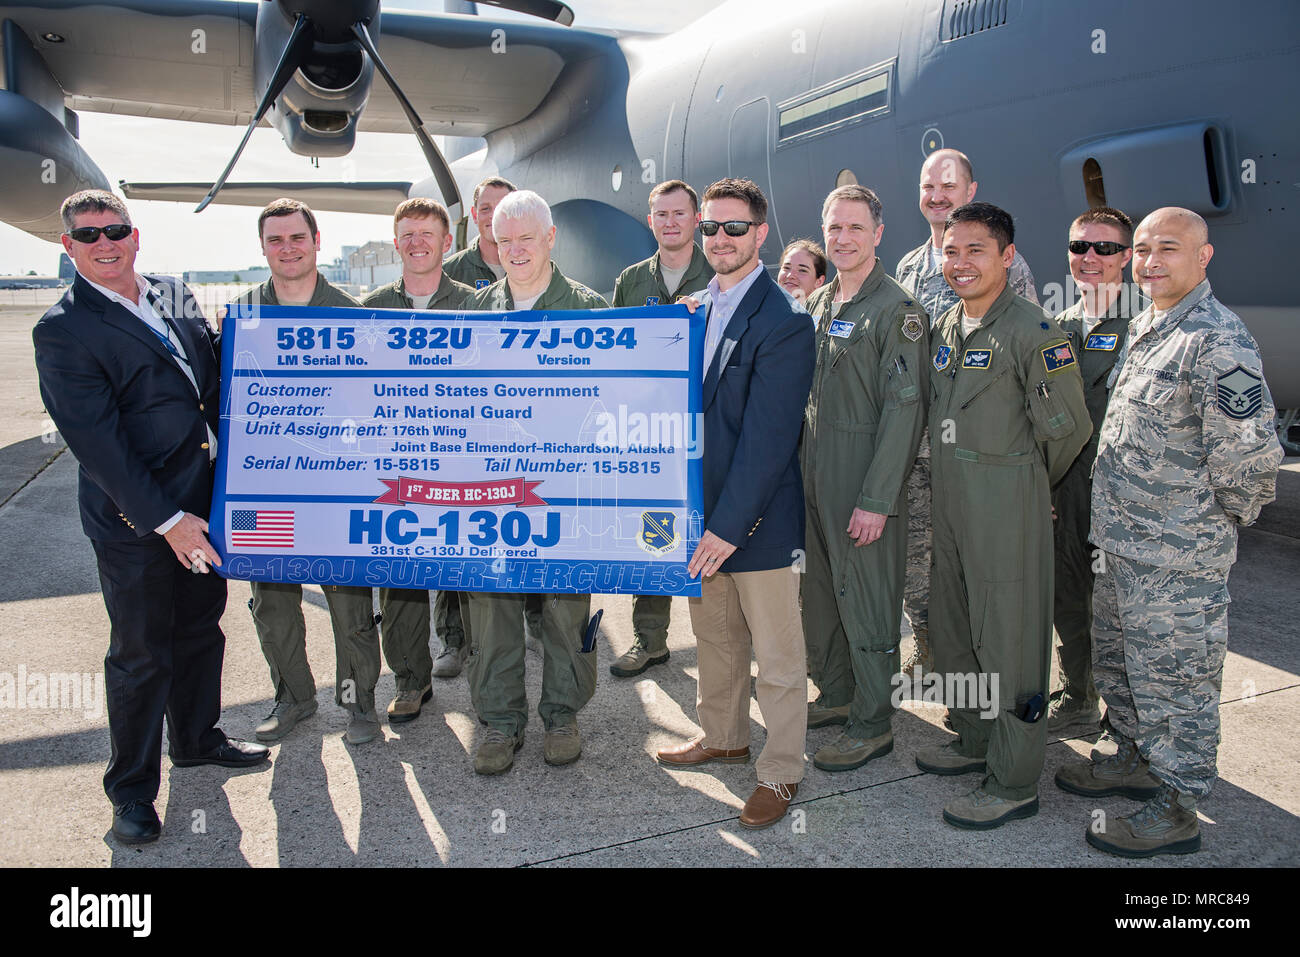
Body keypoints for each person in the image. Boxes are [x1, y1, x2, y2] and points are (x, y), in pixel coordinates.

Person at [33, 190, 268, 845]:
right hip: (137, 522)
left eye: (116, 230)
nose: (104, 243)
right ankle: (131, 792)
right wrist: (168, 520)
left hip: (203, 504)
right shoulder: (63, 329)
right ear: (68, 247)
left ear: (135, 235)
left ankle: (196, 737)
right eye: (89, 235)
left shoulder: (173, 292)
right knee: (140, 655)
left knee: (200, 630)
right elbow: (97, 442)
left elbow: (214, 374)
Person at [1059, 207, 1283, 858]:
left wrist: (1204, 529)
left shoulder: (1218, 338)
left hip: (1176, 559)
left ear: (1204, 257)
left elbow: (1250, 459)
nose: (1153, 260)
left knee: (1177, 682)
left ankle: (1178, 804)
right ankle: (1130, 754)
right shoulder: (1152, 324)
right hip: (1122, 546)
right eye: (1147, 249)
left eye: (1170, 249)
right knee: (1123, 667)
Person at [918, 202, 1091, 829]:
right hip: (954, 504)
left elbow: (1067, 431)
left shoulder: (1034, 333)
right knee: (958, 627)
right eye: (951, 250)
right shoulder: (947, 325)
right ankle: (974, 736)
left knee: (1012, 641)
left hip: (1007, 505)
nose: (960, 263)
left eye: (976, 251)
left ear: (1006, 256)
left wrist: (1021, 483)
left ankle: (1014, 779)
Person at [653, 178, 815, 830]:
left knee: (777, 659)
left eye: (735, 228)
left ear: (761, 233)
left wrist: (727, 526)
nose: (721, 239)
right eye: (711, 228)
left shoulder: (784, 321)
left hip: (757, 521)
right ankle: (722, 735)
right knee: (715, 640)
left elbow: (769, 440)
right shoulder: (697, 310)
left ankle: (780, 770)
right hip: (702, 515)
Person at [462, 189, 606, 774]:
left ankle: (563, 713)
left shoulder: (591, 310)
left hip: (567, 485)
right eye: (505, 240)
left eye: (527, 238)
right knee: (490, 606)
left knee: (564, 604)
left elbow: (614, 400)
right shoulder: (472, 317)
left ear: (550, 238)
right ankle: (498, 722)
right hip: (492, 488)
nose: (515, 250)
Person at [231, 199, 384, 746]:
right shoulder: (242, 315)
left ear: (316, 241)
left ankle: (359, 704)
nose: (288, 248)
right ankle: (293, 698)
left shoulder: (355, 314)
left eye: (297, 237)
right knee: (272, 605)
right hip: (267, 487)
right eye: (276, 240)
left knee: (349, 604)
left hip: (338, 486)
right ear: (264, 247)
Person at [894, 149, 1040, 676]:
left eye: (949, 186)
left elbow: (1019, 359)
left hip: (974, 447)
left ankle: (976, 666)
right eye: (928, 185)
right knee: (917, 561)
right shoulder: (910, 265)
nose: (937, 195)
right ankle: (932, 650)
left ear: (970, 191)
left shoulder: (1003, 262)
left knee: (972, 562)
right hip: (917, 445)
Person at [801, 186, 927, 770]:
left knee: (870, 601)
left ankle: (874, 721)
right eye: (834, 228)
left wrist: (877, 499)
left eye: (855, 228)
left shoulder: (896, 311)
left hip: (863, 481)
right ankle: (838, 693)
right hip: (816, 478)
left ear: (878, 234)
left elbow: (905, 412)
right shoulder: (822, 303)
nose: (843, 238)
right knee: (822, 594)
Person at [361, 198, 476, 719]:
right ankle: (410, 680)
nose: (416, 244)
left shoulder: (478, 305)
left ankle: (484, 682)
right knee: (400, 577)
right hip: (398, 469)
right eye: (406, 235)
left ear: (447, 242)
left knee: (475, 579)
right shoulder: (372, 309)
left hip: (466, 463)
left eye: (426, 234)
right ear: (396, 243)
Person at [608, 179, 712, 678]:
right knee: (653, 528)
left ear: (696, 219)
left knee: (713, 532)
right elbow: (614, 354)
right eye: (661, 214)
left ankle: (720, 643)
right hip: (649, 428)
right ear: (650, 221)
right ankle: (650, 640)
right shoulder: (630, 281)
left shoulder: (719, 272)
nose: (671, 222)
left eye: (680, 213)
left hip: (708, 426)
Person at [1046, 207, 1136, 733]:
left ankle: (1126, 720)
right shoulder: (1056, 327)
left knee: (1122, 611)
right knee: (1068, 597)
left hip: (1123, 493)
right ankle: (1079, 693)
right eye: (1081, 247)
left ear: (1126, 256)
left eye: (1105, 248)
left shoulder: (1145, 324)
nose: (1091, 258)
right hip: (1066, 487)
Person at [442, 176, 516, 290]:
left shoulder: (535, 270)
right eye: (485, 209)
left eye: (502, 209)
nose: (493, 216)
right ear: (475, 215)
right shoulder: (448, 274)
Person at [777, 238, 828, 303]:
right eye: (786, 267)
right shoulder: (763, 310)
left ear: (819, 282)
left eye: (802, 270)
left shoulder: (825, 312)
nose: (790, 275)